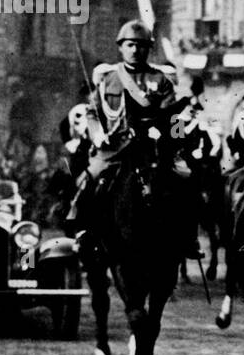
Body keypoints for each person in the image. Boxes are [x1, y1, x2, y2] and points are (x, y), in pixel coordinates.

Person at [67, 20, 193, 253]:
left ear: (149, 49)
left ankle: (187, 238)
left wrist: (172, 138)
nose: (136, 50)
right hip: (114, 148)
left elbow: (173, 116)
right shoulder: (108, 79)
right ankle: (84, 233)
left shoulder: (161, 80)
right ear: (121, 47)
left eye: (141, 45)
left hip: (151, 149)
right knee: (88, 182)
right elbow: (93, 112)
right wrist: (98, 136)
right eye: (130, 45)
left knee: (184, 181)